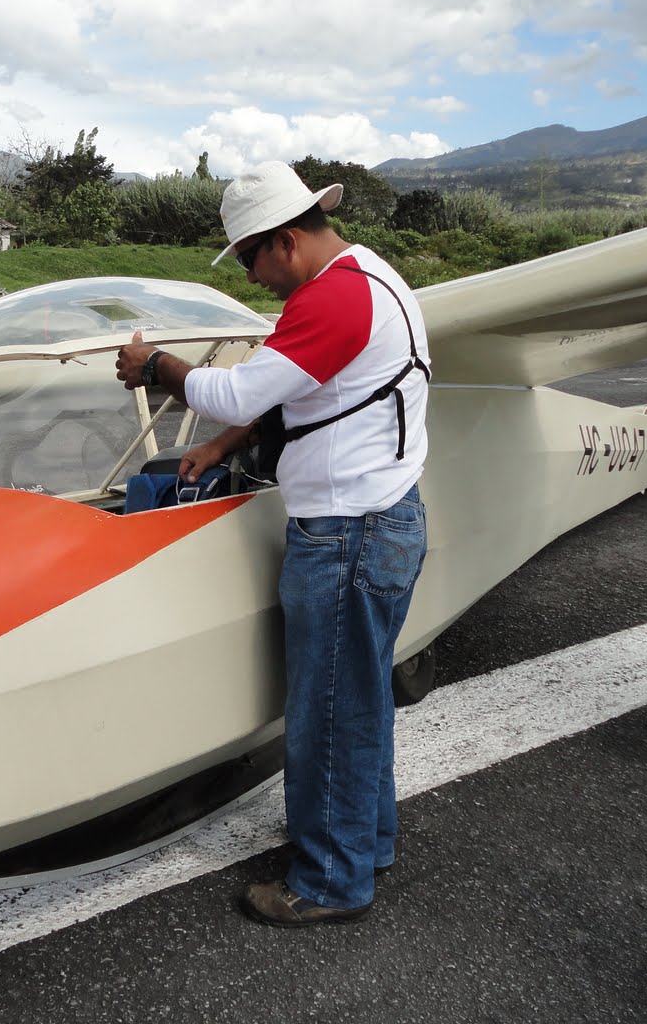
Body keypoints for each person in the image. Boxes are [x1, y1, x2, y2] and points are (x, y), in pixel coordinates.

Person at [115, 161, 430, 927]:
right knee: (358, 702)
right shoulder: (369, 279)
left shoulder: (332, 296)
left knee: (328, 711)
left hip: (348, 535)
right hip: (381, 520)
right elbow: (304, 392)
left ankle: (329, 881)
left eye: (250, 260)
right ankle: (366, 844)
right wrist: (223, 446)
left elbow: (240, 391)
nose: (252, 279)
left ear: (284, 241)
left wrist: (154, 366)